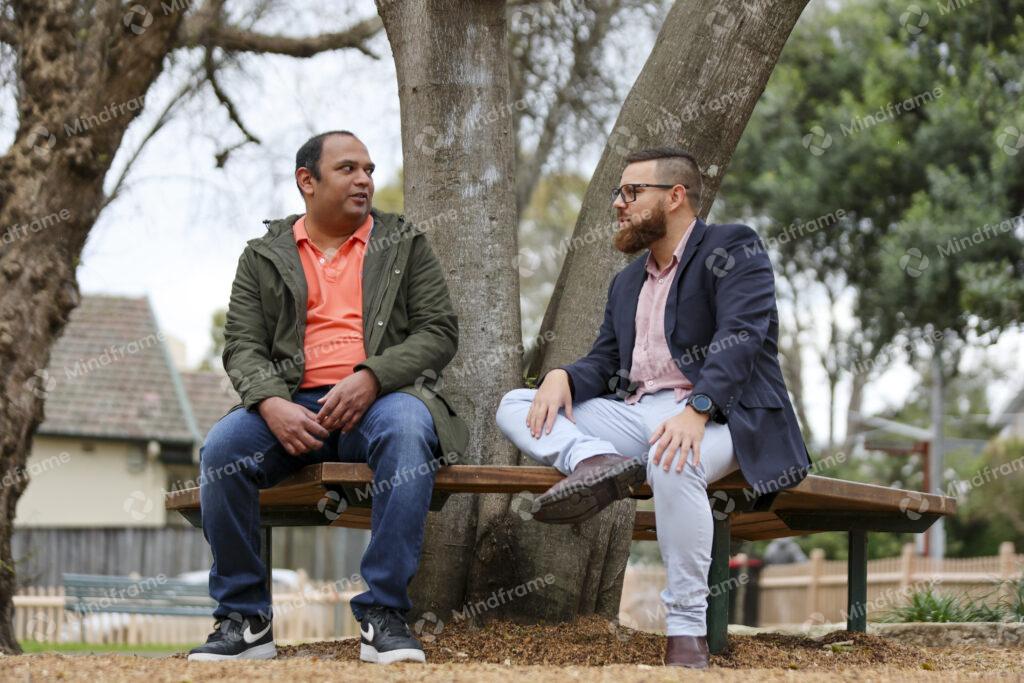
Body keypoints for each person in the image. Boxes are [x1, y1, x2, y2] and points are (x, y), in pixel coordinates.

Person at [496, 147, 811, 669]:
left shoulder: (733, 246)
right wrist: (560, 376)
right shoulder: (626, 283)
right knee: (516, 404)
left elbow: (742, 336)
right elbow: (604, 362)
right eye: (619, 193)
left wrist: (699, 409)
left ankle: (687, 632)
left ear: (676, 196)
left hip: (726, 416)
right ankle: (593, 460)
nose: (619, 204)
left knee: (673, 460)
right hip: (637, 414)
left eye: (631, 192)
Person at [188, 130, 467, 663]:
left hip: (381, 402)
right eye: (348, 169)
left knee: (409, 430)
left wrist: (372, 376)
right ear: (307, 181)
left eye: (369, 168)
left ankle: (383, 613)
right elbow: (242, 346)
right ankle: (245, 620)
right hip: (290, 406)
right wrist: (270, 402)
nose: (364, 178)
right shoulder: (261, 256)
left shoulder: (403, 243)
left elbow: (438, 332)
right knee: (222, 450)